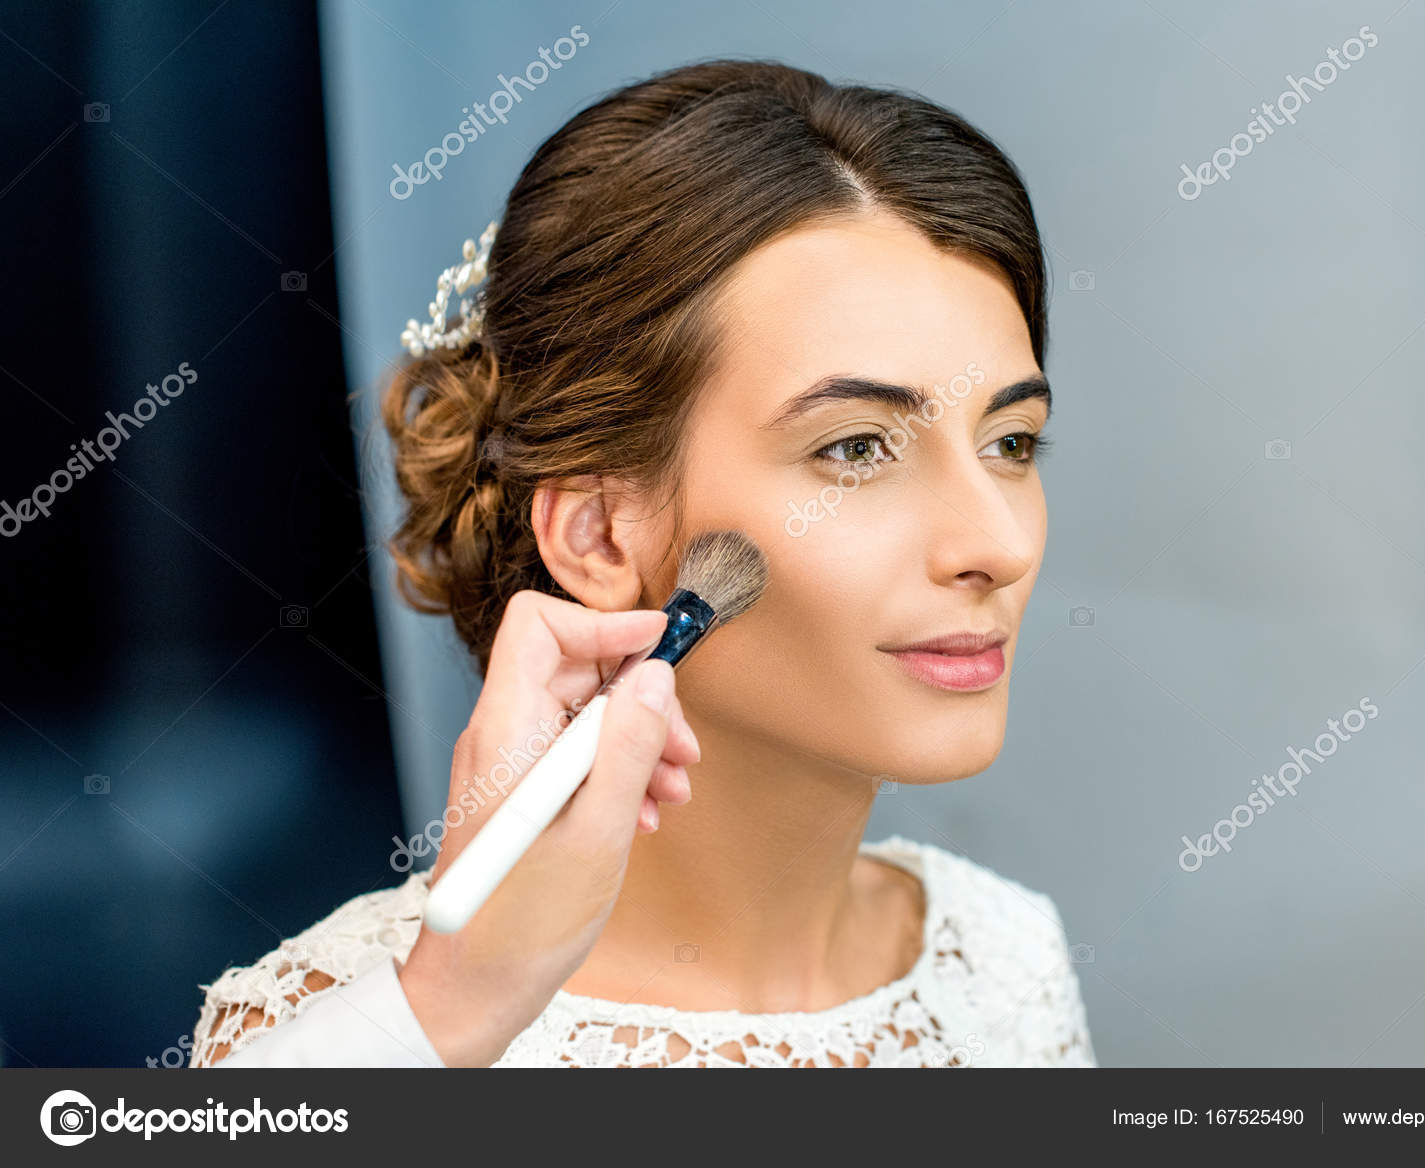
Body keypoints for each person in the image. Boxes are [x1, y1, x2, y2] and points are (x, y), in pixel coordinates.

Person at [191, 57, 1096, 1068]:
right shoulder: (344, 1039)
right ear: (599, 535)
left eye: (1010, 444)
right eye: (853, 449)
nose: (999, 545)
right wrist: (450, 1011)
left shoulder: (1001, 957)